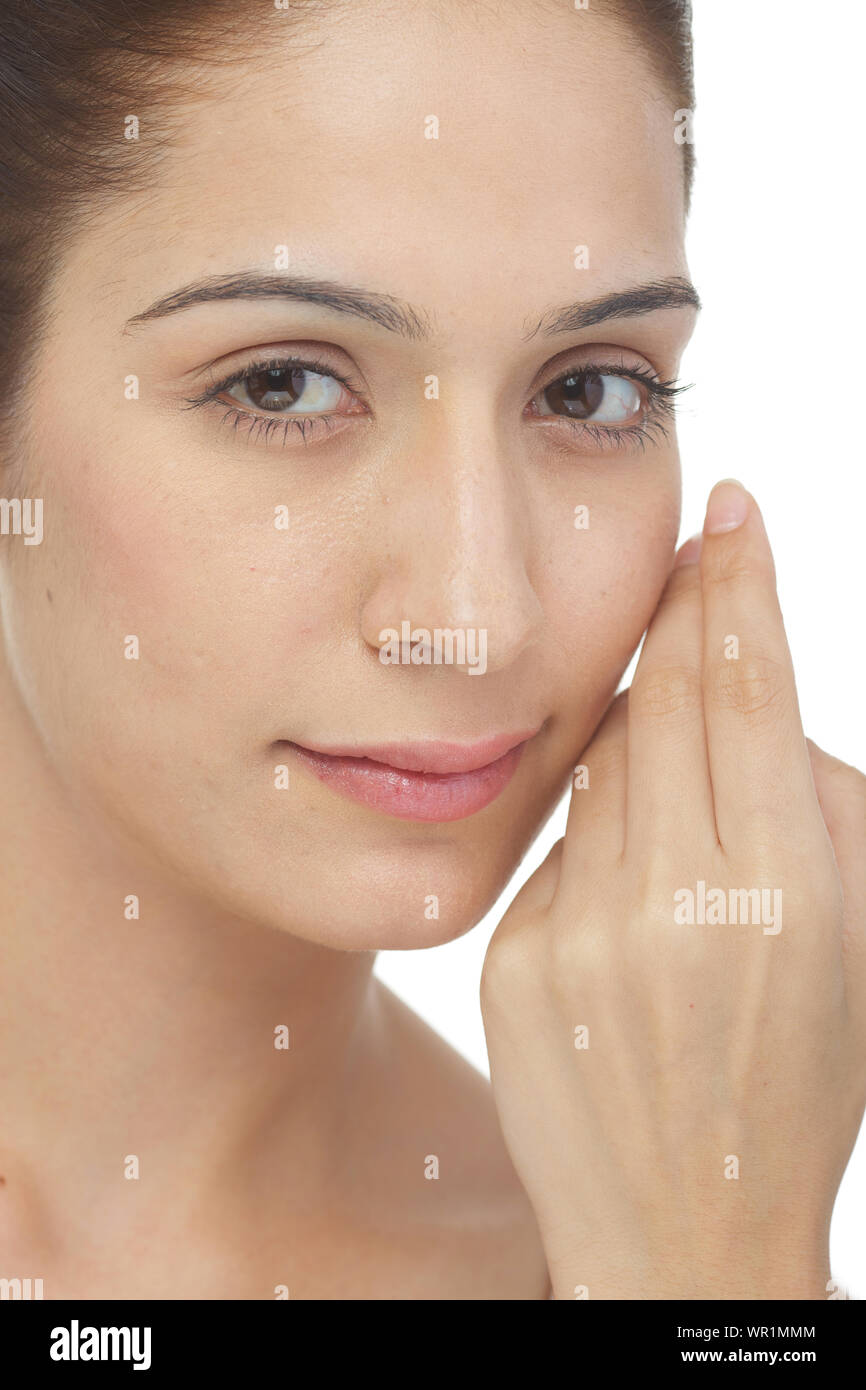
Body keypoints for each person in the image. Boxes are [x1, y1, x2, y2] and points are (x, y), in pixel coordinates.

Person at [0, 0, 862, 1300]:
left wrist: (715, 1274)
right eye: (282, 384)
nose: (479, 613)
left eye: (588, 389)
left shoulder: (642, 1258)